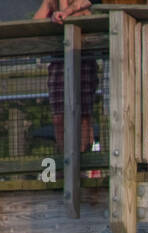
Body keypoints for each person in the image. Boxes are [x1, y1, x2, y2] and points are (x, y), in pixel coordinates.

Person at [34, 0, 98, 154]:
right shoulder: (51, 1)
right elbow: (35, 23)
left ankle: (83, 158)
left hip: (83, 57)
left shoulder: (82, 2)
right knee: (58, 117)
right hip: (58, 60)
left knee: (82, 115)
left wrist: (64, 7)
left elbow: (72, 18)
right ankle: (65, 158)